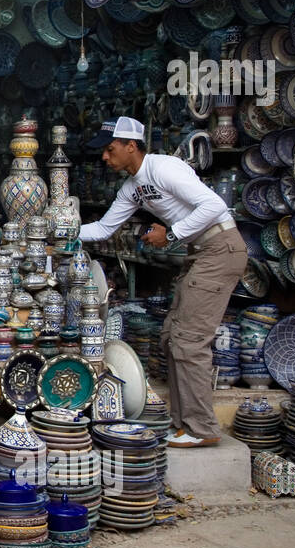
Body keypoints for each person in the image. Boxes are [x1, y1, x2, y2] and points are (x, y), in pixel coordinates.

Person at [80, 117, 247, 448]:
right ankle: (184, 425)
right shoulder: (132, 188)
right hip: (199, 253)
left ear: (131, 146)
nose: (105, 158)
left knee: (189, 341)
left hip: (220, 248)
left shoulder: (163, 168)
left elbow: (214, 205)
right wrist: (57, 230)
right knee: (173, 337)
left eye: (110, 150)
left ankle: (202, 428)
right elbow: (102, 228)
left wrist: (170, 234)